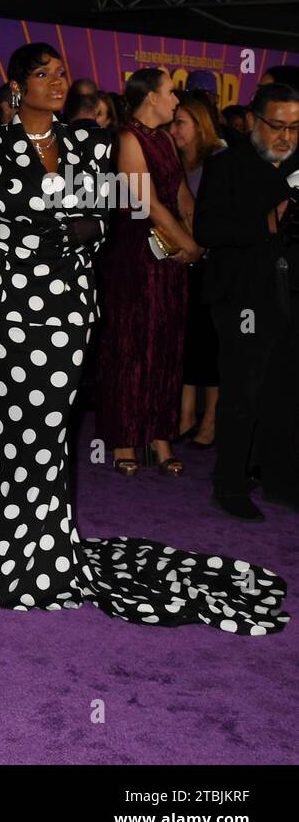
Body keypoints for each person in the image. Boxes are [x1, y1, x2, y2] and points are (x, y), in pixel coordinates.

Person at [0, 42, 289, 634]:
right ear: (17, 87)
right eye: (44, 74)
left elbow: (102, 221)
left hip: (70, 308)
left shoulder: (84, 143)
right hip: (6, 310)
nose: (58, 81)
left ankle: (42, 560)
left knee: (50, 435)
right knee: (3, 430)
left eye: (61, 72)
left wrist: (58, 230)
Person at [194, 81, 299, 521]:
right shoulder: (226, 166)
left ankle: (279, 480)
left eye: (295, 128)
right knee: (242, 392)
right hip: (241, 297)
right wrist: (267, 223)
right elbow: (207, 231)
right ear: (254, 121)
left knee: (286, 390)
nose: (286, 137)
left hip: (290, 293)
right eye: (277, 126)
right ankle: (229, 484)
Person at [96, 68, 203, 476]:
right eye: (171, 92)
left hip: (170, 261)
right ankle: (125, 438)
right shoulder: (128, 138)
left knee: (166, 345)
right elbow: (147, 204)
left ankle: (159, 435)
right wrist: (187, 244)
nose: (176, 100)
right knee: (131, 344)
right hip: (137, 259)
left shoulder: (163, 139)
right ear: (151, 98)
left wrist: (196, 233)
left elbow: (180, 193)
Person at [169, 93, 227, 449]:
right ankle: (186, 413)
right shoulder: (180, 162)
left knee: (210, 346)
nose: (173, 130)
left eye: (181, 123)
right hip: (184, 264)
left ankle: (211, 419)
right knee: (188, 343)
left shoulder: (218, 161)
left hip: (214, 265)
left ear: (200, 126)